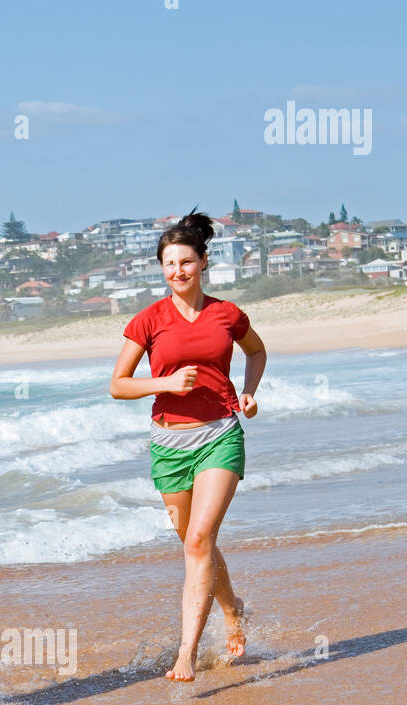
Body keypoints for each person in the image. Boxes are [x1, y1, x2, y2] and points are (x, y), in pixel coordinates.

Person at [110, 211, 267, 681]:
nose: (177, 271)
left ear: (203, 262)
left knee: (198, 541)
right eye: (169, 264)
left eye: (186, 261)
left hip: (220, 435)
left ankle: (187, 652)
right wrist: (166, 382)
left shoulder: (227, 314)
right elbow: (118, 385)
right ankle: (232, 607)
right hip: (168, 443)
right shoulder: (149, 320)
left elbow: (256, 351)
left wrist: (250, 390)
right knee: (196, 543)